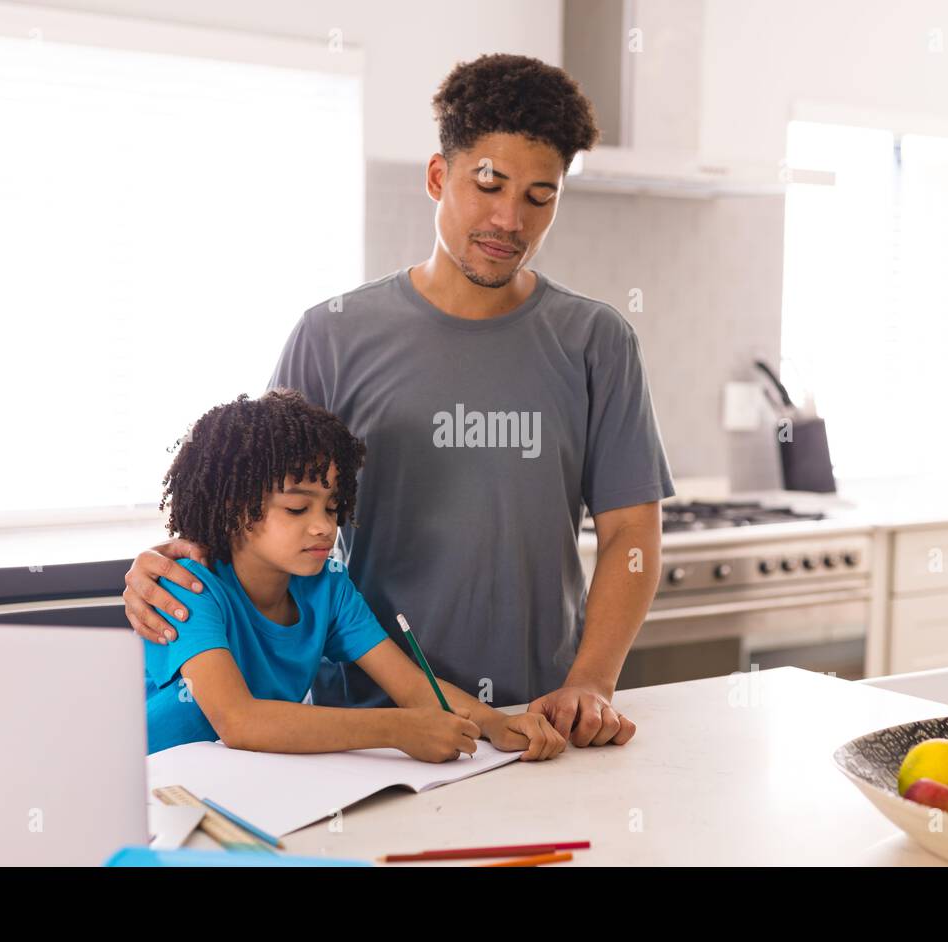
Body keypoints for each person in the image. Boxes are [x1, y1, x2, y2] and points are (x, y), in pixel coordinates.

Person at [125, 53, 672, 748]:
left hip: (538, 717)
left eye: (540, 196)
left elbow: (631, 535)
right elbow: (258, 496)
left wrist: (592, 682)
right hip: (366, 725)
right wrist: (170, 569)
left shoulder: (599, 341)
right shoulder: (333, 333)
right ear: (440, 177)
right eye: (489, 184)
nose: (510, 218)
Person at [143, 388, 565, 762]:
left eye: (331, 507)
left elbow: (414, 688)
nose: (325, 527)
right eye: (297, 508)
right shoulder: (190, 587)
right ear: (236, 508)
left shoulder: (327, 586)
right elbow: (240, 722)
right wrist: (397, 729)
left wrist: (495, 724)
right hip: (158, 789)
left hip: (247, 782)